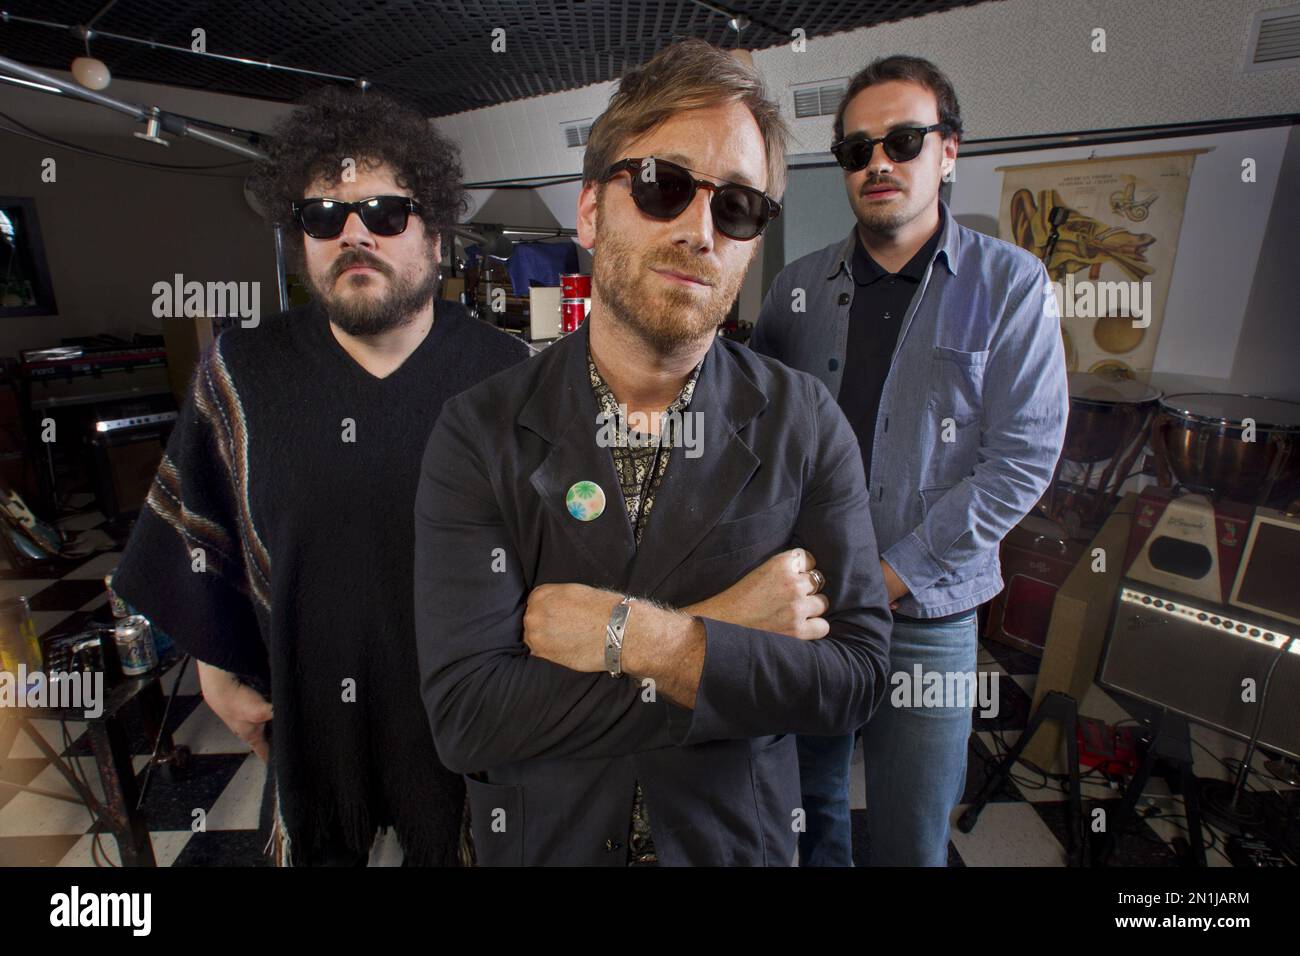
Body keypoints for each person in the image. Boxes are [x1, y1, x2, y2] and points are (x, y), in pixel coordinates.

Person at [413, 39, 892, 867]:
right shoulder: (478, 429)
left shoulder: (803, 420)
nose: (700, 232)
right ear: (592, 211)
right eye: (663, 186)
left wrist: (642, 639)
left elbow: (853, 679)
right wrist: (736, 628)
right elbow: (469, 716)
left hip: (731, 843)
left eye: (737, 206)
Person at [110, 87, 531, 866]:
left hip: (464, 714)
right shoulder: (241, 374)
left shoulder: (511, 378)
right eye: (323, 216)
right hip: (307, 711)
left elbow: (554, 558)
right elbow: (201, 527)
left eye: (383, 213)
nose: (353, 235)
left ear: (435, 235)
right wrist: (215, 665)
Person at [750, 55, 1069, 866]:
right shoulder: (795, 291)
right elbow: (754, 438)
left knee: (912, 831)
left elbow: (1022, 458)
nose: (878, 164)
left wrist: (894, 572)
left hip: (929, 615)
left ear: (949, 151)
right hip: (810, 611)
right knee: (805, 809)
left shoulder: (1011, 285)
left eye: (902, 141)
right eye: (857, 151)